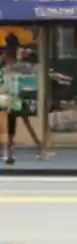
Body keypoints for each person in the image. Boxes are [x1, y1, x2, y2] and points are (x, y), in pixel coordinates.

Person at [1, 33, 45, 164]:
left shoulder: (8, 55)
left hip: (11, 92)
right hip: (13, 92)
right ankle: (37, 147)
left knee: (15, 122)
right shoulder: (11, 55)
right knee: (20, 121)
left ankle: (10, 151)